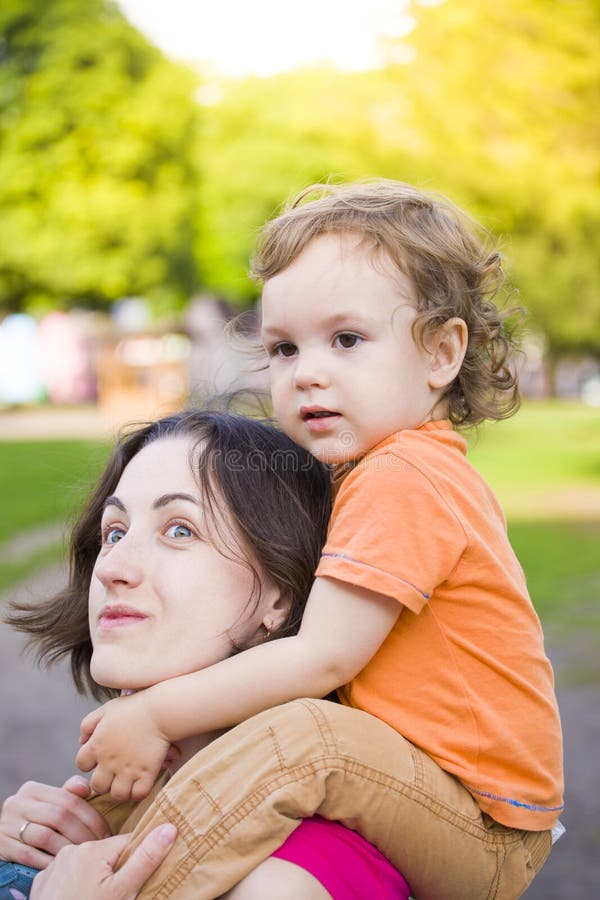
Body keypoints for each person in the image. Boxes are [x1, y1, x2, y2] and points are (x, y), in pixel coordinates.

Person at [68, 180, 564, 899]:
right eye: (283, 348)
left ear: (441, 353)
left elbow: (322, 656)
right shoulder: (368, 475)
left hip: (481, 821)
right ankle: (90, 841)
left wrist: (154, 712)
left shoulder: (405, 473)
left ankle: (125, 883)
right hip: (438, 798)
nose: (307, 374)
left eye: (346, 340)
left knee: (309, 735)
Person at [1, 408, 411, 900]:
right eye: (115, 532)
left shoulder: (282, 881)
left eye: (180, 530)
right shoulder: (112, 811)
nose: (112, 569)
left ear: (278, 597)